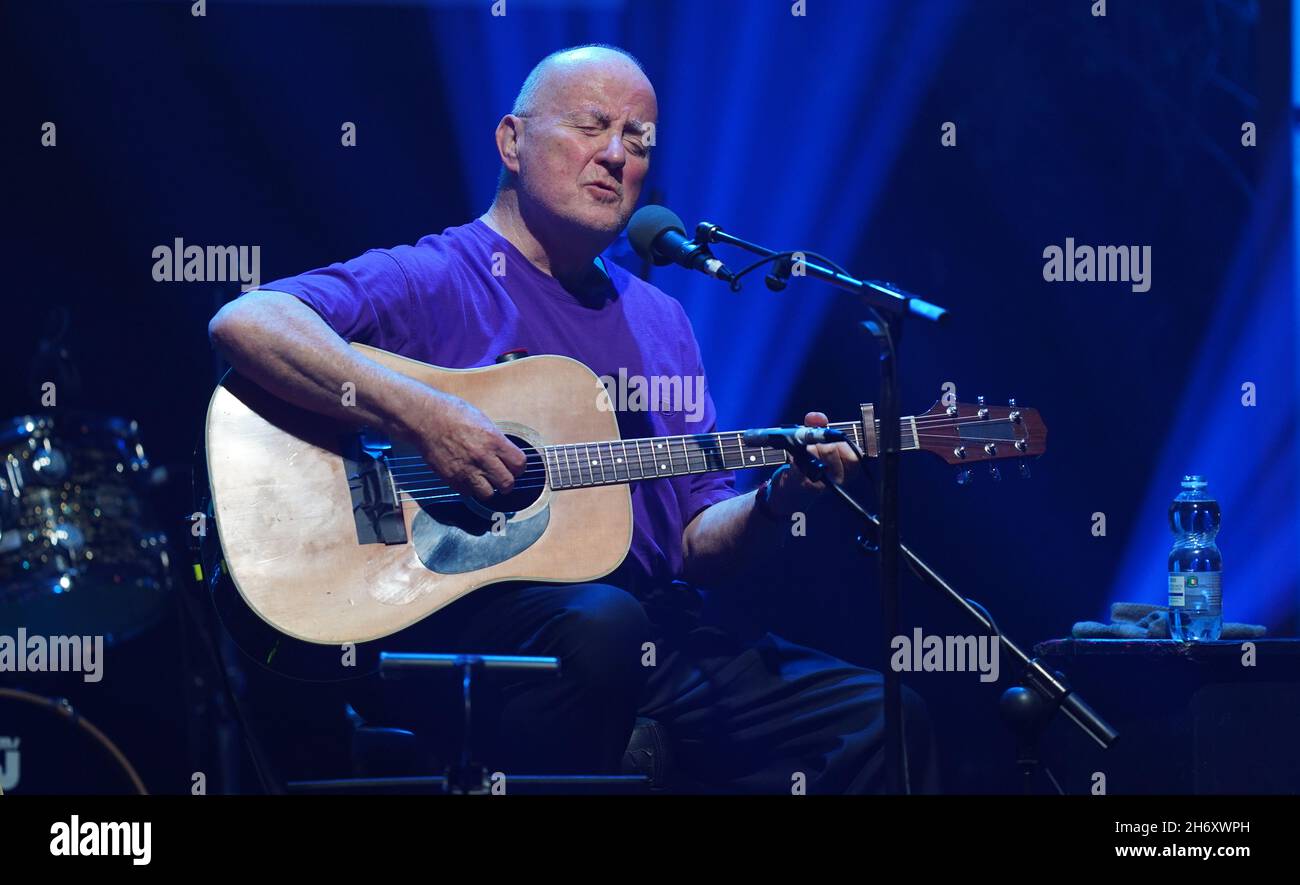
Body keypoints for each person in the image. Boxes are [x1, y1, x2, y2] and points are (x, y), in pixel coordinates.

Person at [208, 43, 939, 793]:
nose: (617, 155)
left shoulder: (662, 322)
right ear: (511, 141)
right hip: (481, 622)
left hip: (652, 635)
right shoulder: (441, 276)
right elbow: (248, 322)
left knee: (887, 715)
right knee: (602, 626)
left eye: (639, 140)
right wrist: (424, 417)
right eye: (593, 126)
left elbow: (696, 541)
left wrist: (778, 498)